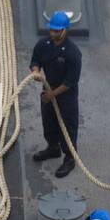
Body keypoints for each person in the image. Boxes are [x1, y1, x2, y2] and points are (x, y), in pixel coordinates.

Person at [30, 12, 82, 179]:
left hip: (65, 95)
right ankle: (53, 148)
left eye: (56, 31)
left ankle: (69, 158)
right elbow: (35, 59)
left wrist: (52, 94)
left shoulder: (73, 53)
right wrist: (36, 71)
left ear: (64, 31)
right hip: (49, 90)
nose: (52, 34)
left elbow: (70, 82)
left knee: (68, 126)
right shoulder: (44, 44)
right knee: (49, 121)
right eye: (51, 30)